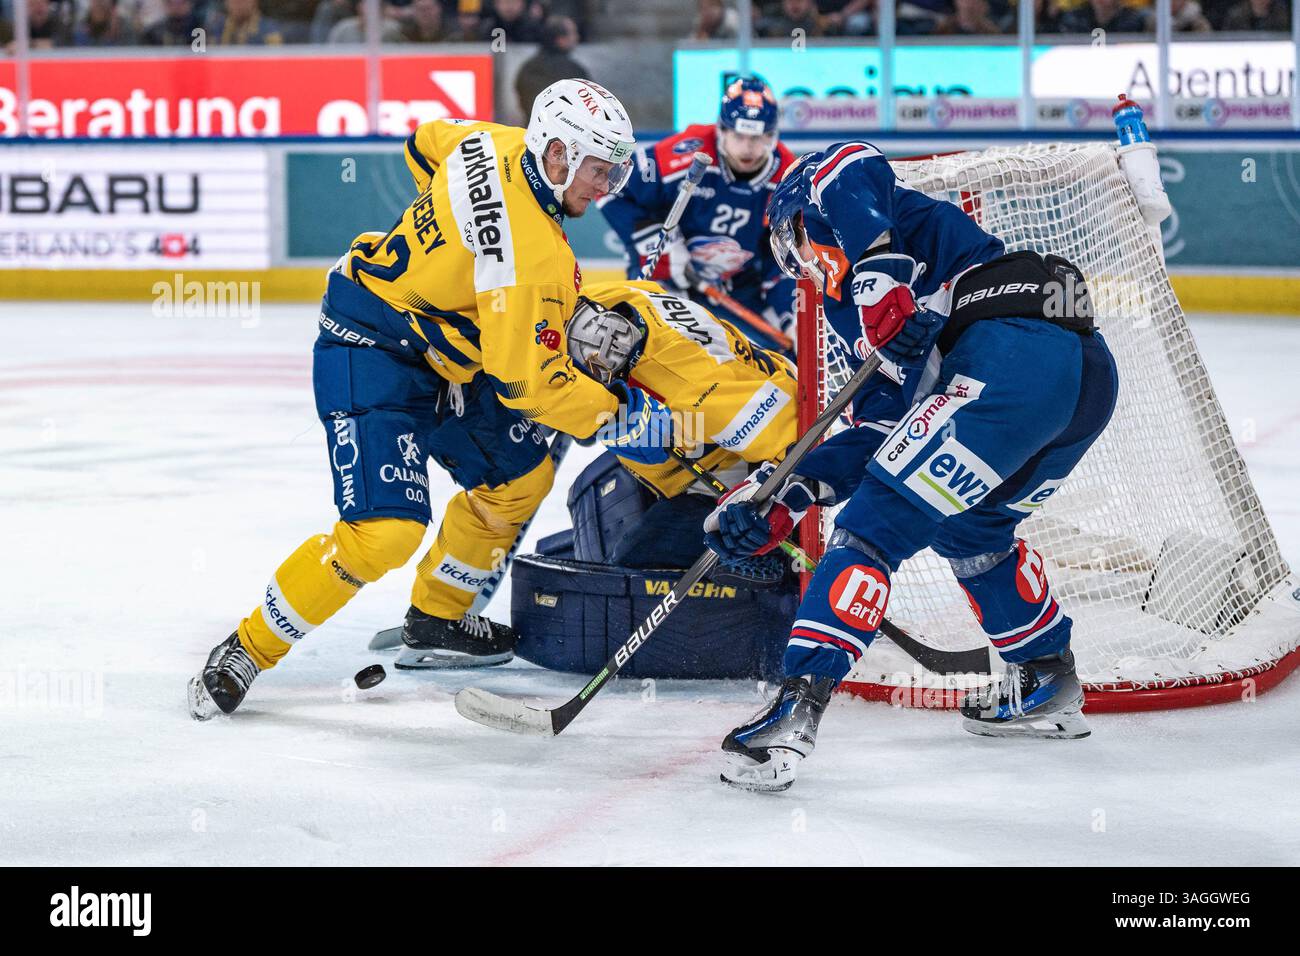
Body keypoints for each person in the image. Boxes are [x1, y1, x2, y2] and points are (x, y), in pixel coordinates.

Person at [187, 80, 672, 718]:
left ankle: (437, 617)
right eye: (596, 169)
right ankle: (246, 648)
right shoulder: (532, 258)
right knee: (383, 534)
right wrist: (620, 419)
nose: (605, 186)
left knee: (518, 482)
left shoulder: (491, 141)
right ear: (555, 152)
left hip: (446, 351)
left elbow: (422, 145)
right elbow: (527, 382)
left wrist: (451, 258)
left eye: (613, 170)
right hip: (372, 348)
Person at [704, 142, 1119, 791]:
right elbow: (878, 430)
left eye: (798, 250)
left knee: (873, 526)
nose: (807, 268)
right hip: (1064, 389)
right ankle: (1042, 675)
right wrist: (784, 492)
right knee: (970, 529)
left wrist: (877, 278)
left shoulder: (868, 211)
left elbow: (848, 164)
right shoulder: (852, 321)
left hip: (1015, 353)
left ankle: (796, 708)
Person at [598, 76, 798, 354]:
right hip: (666, 277)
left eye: (758, 138)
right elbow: (609, 185)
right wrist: (663, 244)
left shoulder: (787, 179)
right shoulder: (684, 154)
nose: (748, 148)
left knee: (774, 361)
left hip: (736, 289)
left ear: (773, 135)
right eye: (739, 136)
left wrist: (793, 320)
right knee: (655, 354)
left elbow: (781, 264)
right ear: (722, 130)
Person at [514, 16, 589, 119]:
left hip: (532, 130)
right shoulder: (574, 71)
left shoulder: (528, 67)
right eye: (573, 33)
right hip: (567, 132)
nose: (577, 37)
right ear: (560, 40)